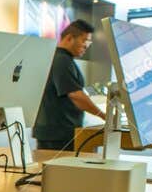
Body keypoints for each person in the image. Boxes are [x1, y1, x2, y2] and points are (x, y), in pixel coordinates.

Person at [33, 19, 106, 153]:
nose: (86, 46)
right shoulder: (61, 60)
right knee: (59, 173)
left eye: (88, 42)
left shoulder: (61, 59)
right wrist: (103, 116)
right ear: (69, 38)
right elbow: (75, 95)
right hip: (57, 134)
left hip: (59, 131)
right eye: (84, 40)